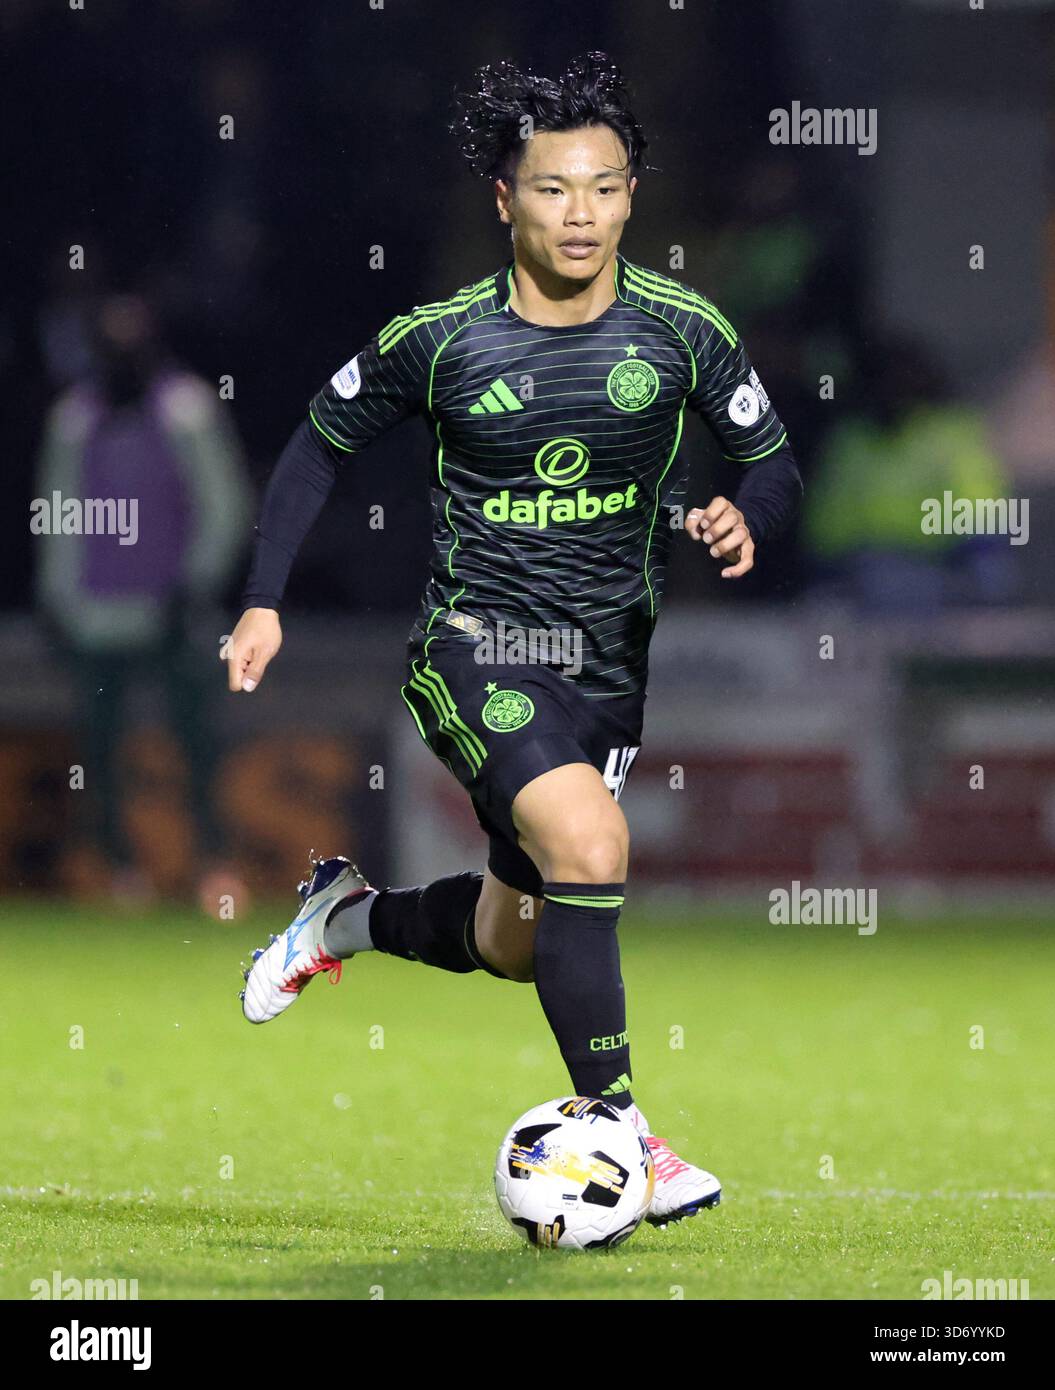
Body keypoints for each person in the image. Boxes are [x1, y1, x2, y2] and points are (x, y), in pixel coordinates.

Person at [227, 53, 802, 1230]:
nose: (579, 211)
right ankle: (626, 1134)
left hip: (608, 675)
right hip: (476, 649)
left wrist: (748, 512)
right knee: (590, 841)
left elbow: (774, 462)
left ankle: (344, 917)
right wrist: (263, 597)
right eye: (551, 188)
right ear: (504, 200)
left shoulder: (682, 329)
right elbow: (317, 443)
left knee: (511, 940)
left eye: (603, 185)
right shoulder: (442, 339)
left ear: (630, 196)